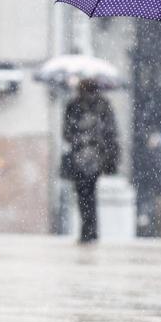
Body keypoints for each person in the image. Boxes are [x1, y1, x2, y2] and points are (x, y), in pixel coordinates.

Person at [61, 78, 119, 243]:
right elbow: (111, 132)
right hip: (92, 157)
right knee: (88, 194)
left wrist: (81, 136)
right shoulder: (100, 105)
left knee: (84, 194)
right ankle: (90, 229)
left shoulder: (75, 105)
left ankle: (88, 229)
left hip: (86, 157)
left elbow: (66, 133)